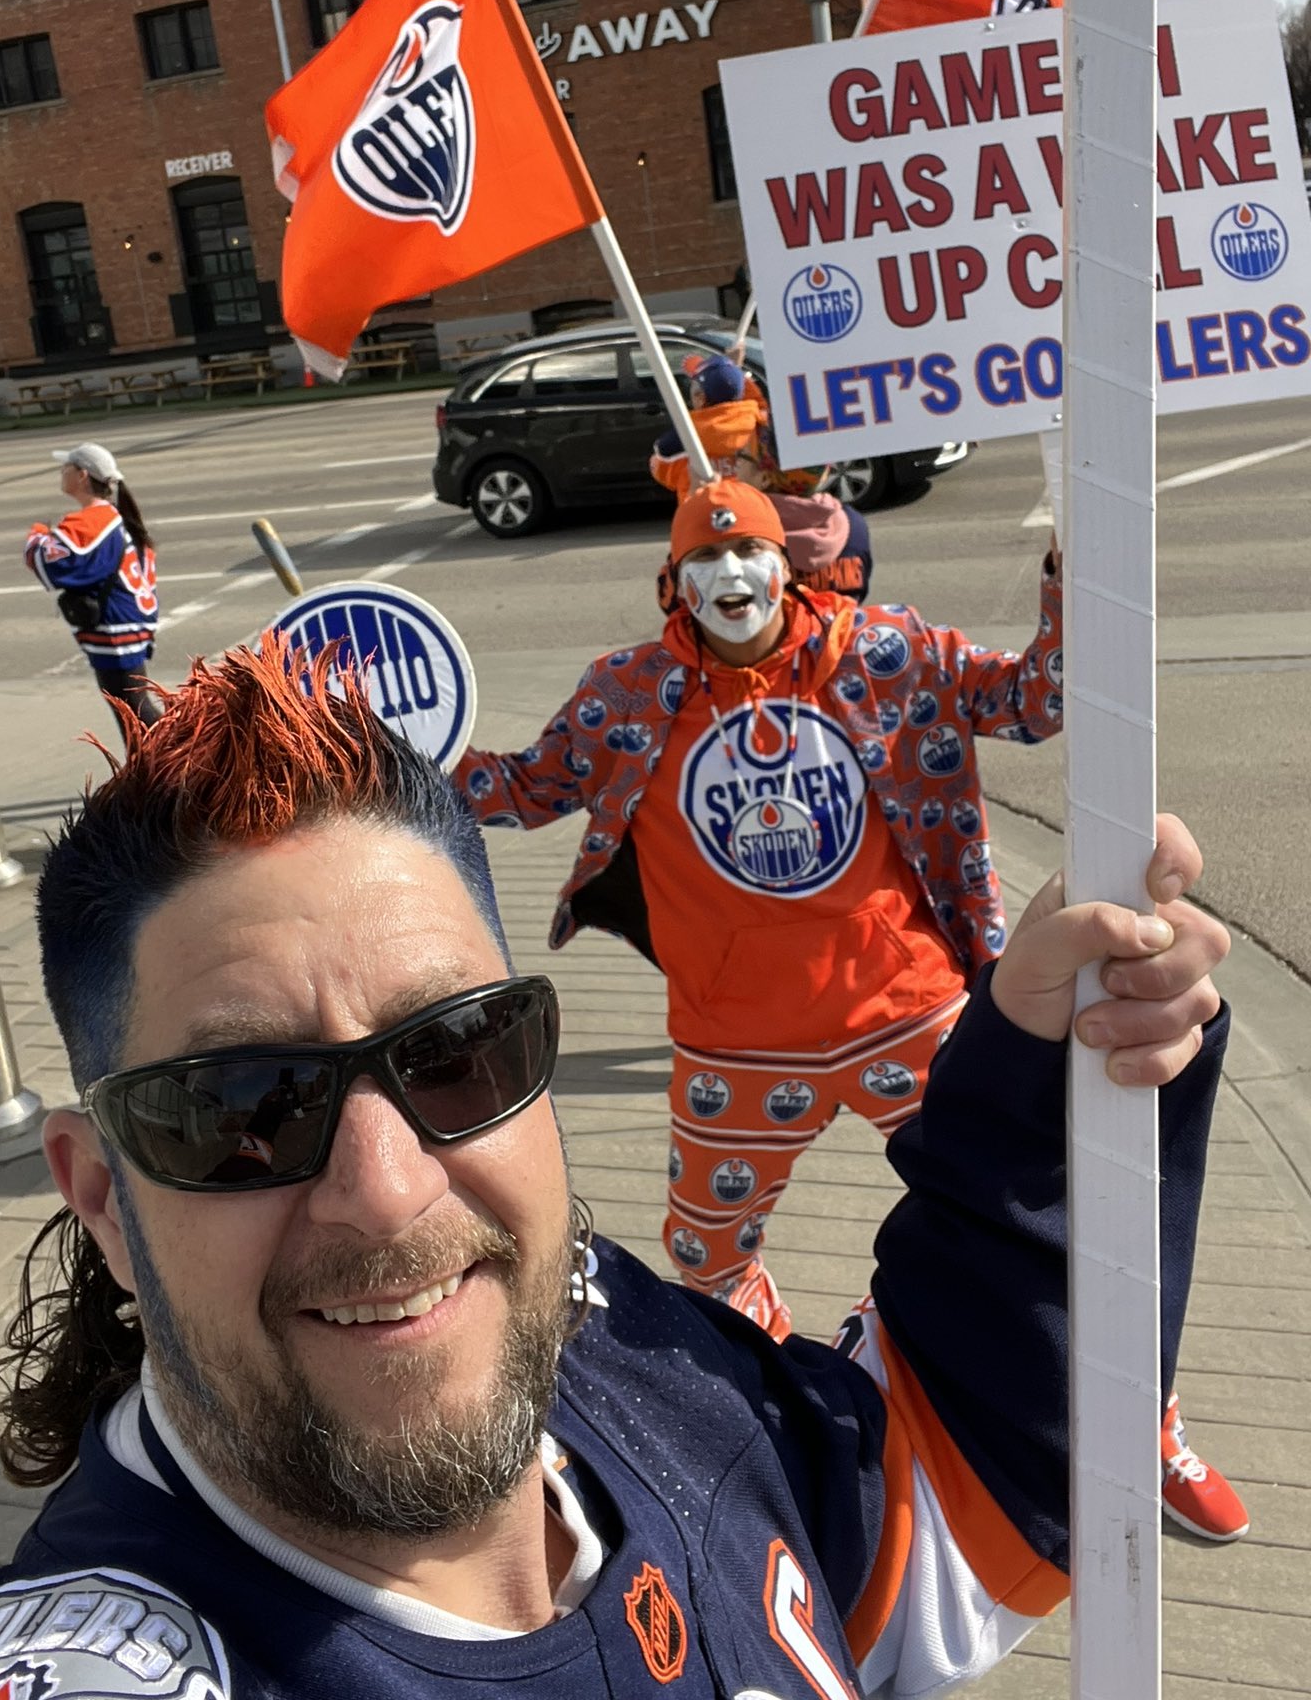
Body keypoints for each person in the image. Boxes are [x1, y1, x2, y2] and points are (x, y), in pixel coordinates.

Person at [0, 642, 1230, 1699]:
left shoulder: (610, 1341)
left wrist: (1051, 1087)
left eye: (457, 1052)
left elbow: (933, 1500)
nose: (390, 1189)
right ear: (100, 1197)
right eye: (243, 1105)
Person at [457, 477, 1246, 1539]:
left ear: (788, 564)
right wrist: (413, 744)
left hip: (910, 1011)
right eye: (707, 560)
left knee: (1066, 1207)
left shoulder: (883, 650)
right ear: (673, 583)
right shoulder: (629, 690)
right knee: (705, 1256)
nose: (731, 577)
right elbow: (527, 786)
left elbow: (1035, 699)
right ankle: (775, 1398)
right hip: (736, 1040)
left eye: (750, 555)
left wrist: (1075, 573)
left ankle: (1135, 1418)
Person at [650, 352, 872, 598]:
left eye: (743, 455)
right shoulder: (852, 527)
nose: (735, 464)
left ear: (765, 478)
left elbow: (674, 598)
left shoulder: (735, 537)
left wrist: (697, 514)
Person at [25, 443, 161, 730]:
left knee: (134, 714)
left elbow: (51, 561)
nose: (61, 473)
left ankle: (180, 768)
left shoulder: (92, 520)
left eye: (66, 468)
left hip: (115, 629)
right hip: (129, 623)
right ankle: (158, 768)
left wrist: (37, 534)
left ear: (82, 475)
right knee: (134, 710)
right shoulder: (114, 516)